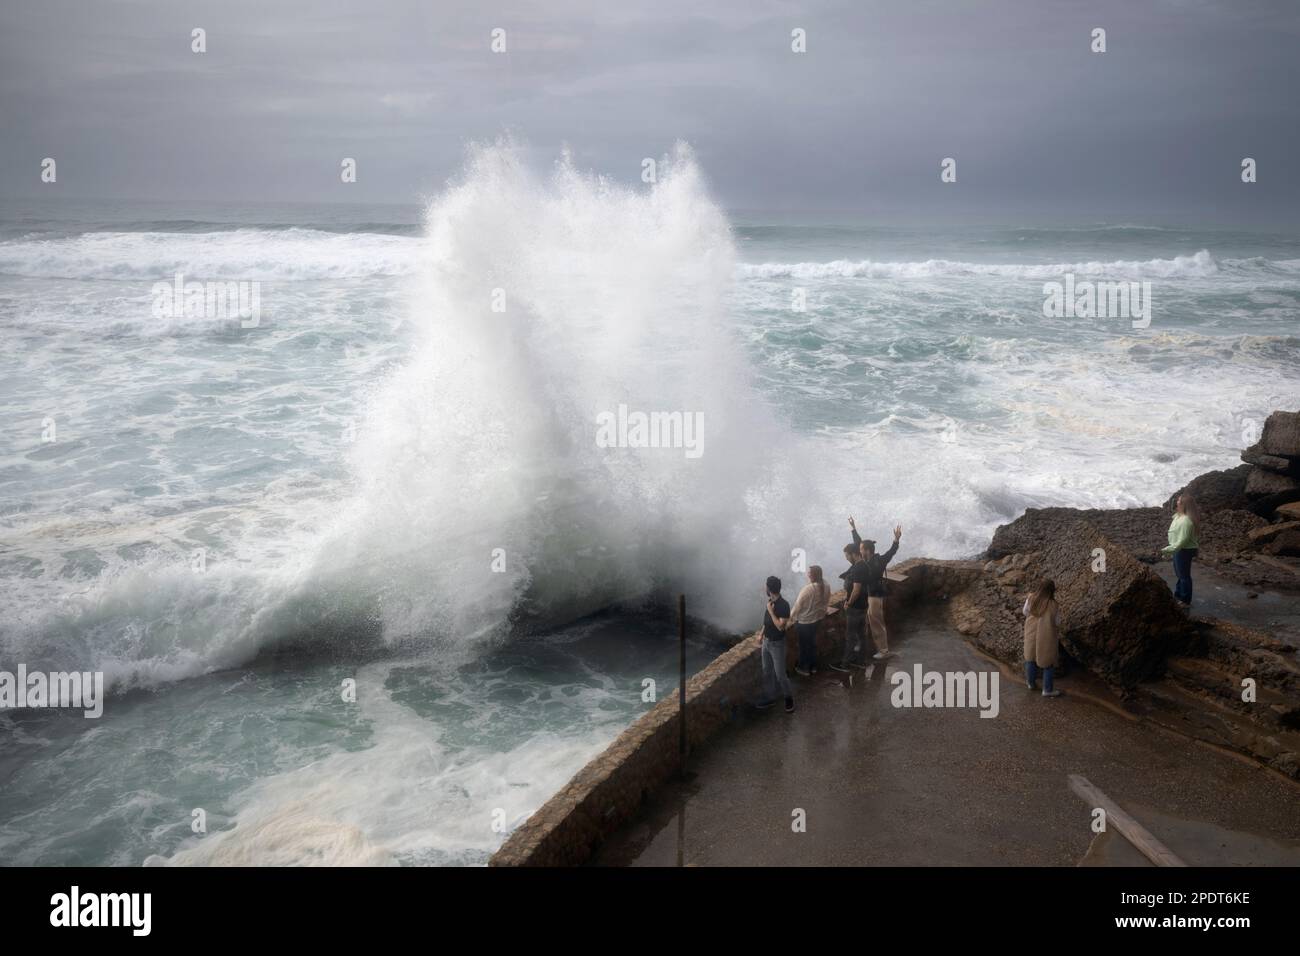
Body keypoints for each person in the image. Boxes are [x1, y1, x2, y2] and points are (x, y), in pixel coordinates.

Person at [857, 525, 902, 660]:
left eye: (861, 549)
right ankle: (880, 648)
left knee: (877, 623)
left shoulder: (878, 561)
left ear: (868, 551)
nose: (859, 552)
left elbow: (891, 552)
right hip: (873, 596)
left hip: (874, 596)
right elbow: (858, 542)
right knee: (874, 622)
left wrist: (896, 539)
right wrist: (853, 528)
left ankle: (883, 651)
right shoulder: (870, 560)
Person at [832, 518, 868, 672]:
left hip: (855, 608)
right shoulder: (863, 564)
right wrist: (853, 528)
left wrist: (848, 603)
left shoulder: (858, 568)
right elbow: (858, 542)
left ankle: (845, 664)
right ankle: (860, 661)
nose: (846, 558)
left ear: (854, 554)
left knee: (851, 637)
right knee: (861, 636)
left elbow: (857, 589)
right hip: (863, 607)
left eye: (847, 555)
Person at [757, 575, 794, 713]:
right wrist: (761, 634)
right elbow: (766, 621)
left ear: (769, 588)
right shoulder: (770, 601)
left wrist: (771, 611)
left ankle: (789, 698)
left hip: (777, 645)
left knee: (780, 675)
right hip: (766, 642)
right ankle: (770, 697)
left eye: (765, 586)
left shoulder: (783, 605)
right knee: (767, 671)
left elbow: (781, 627)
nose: (764, 588)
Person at [1023, 579, 1061, 698]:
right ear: (1052, 590)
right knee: (1048, 663)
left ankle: (1031, 683)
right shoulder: (1053, 605)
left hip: (1031, 632)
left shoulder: (1030, 598)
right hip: (1046, 635)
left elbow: (1025, 612)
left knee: (1030, 659)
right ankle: (1047, 690)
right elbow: (1057, 622)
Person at [1162, 493, 1202, 607]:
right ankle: (1178, 595)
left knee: (1184, 576)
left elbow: (1182, 541)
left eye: (1179, 501)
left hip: (1184, 550)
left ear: (1184, 504)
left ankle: (1185, 600)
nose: (1177, 502)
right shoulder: (1179, 516)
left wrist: (1168, 550)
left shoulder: (1187, 521)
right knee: (1180, 574)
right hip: (1179, 549)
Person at [789, 565, 830, 676]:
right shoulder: (826, 585)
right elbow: (826, 602)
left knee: (804, 646)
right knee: (812, 644)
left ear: (814, 575)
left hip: (804, 623)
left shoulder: (808, 589)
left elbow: (797, 607)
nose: (808, 574)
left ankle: (804, 668)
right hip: (817, 620)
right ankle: (813, 667)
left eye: (810, 573)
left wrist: (790, 617)